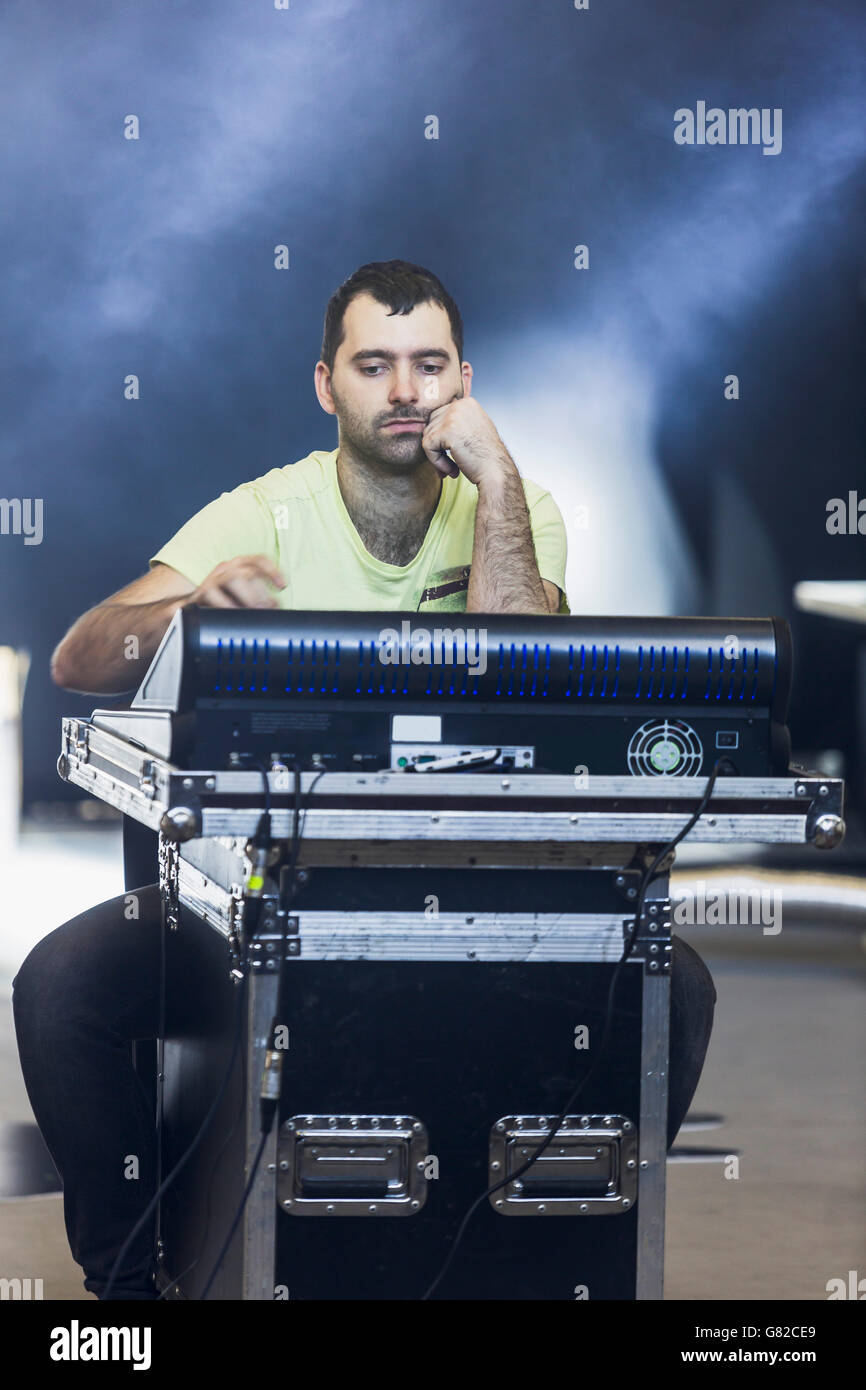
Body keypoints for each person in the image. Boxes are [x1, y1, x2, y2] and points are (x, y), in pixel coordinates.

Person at [13, 260, 716, 1299]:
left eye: (427, 365)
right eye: (373, 364)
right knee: (63, 987)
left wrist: (498, 478)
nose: (402, 391)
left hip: (477, 893)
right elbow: (81, 658)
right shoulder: (265, 510)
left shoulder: (514, 508)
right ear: (325, 384)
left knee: (681, 991)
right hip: (256, 903)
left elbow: (520, 656)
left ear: (461, 381)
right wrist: (191, 605)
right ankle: (132, 1291)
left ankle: (533, 1252)